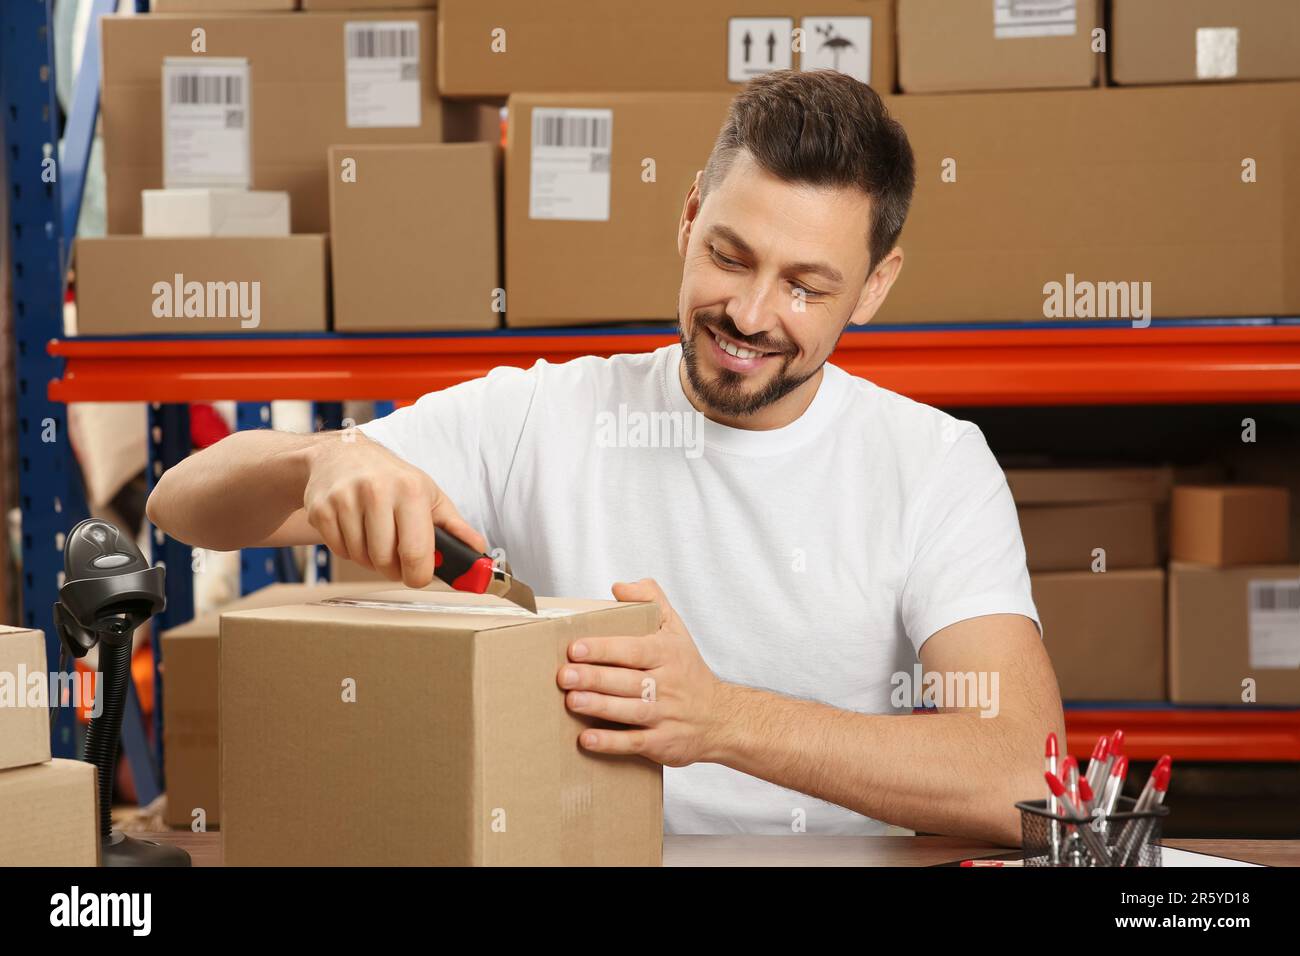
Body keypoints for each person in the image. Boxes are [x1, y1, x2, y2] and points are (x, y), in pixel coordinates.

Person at [148, 69, 1065, 845]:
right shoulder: (542, 414)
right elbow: (181, 506)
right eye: (730, 255)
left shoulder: (934, 464)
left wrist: (724, 721)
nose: (748, 313)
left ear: (873, 288)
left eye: (803, 285)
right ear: (689, 216)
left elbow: (1028, 774)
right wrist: (320, 458)